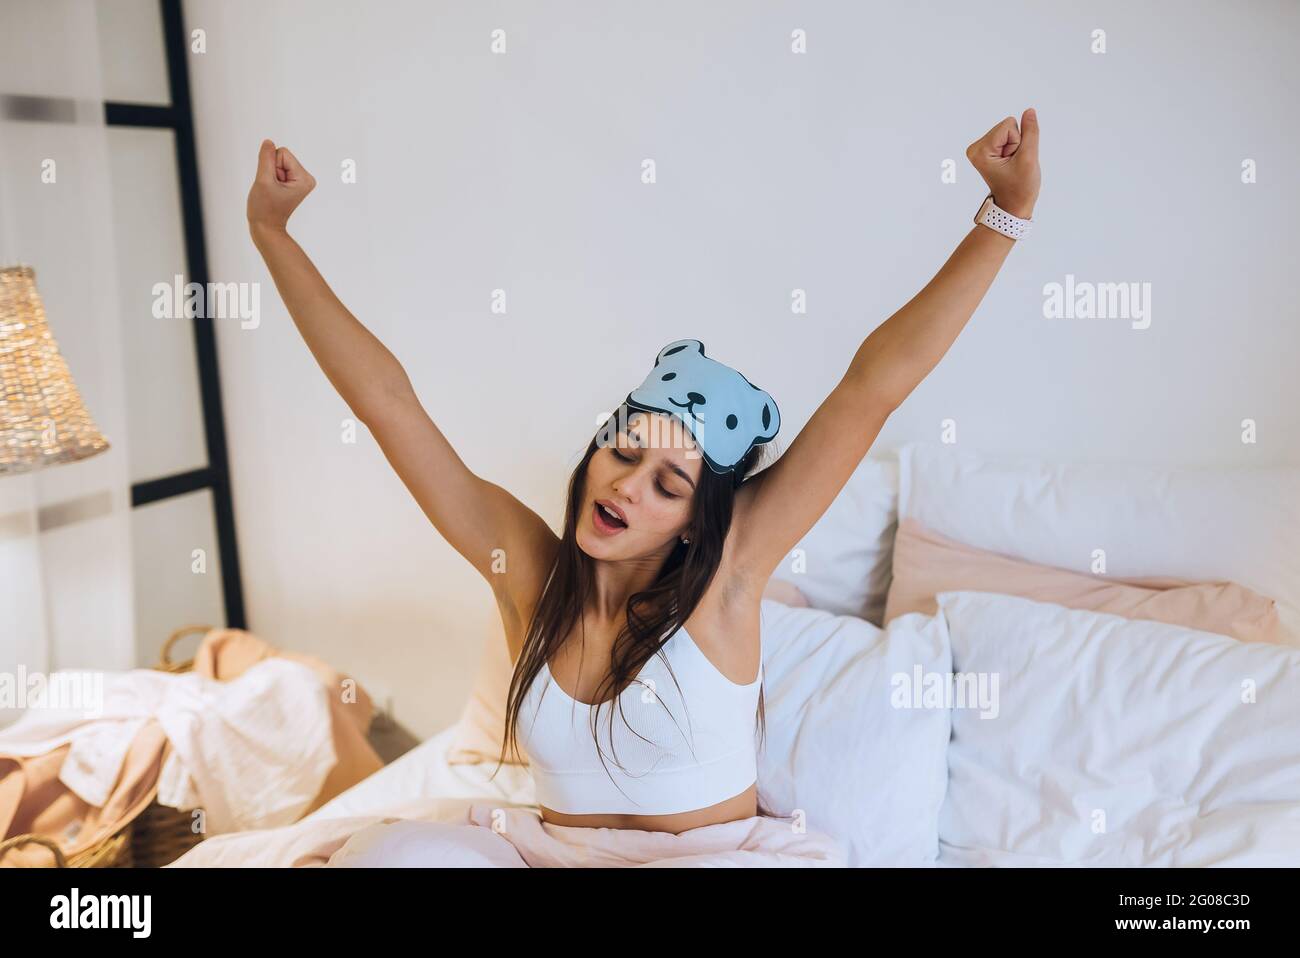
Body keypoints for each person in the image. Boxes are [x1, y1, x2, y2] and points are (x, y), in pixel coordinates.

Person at [244, 108, 1040, 837]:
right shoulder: (526, 574)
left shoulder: (729, 574)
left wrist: (1002, 217)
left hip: (708, 864)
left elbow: (874, 388)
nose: (627, 484)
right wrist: (273, 234)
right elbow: (390, 407)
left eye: (667, 484)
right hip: (555, 856)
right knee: (378, 857)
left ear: (697, 519)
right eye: (623, 452)